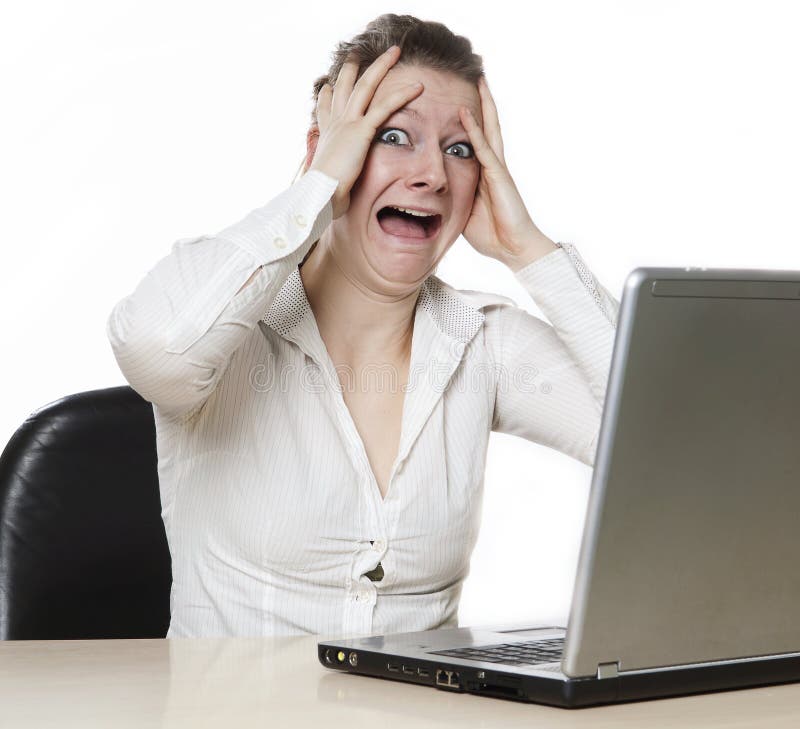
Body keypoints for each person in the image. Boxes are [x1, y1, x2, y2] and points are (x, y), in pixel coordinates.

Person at [106, 13, 619, 638]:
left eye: (460, 150)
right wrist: (317, 188)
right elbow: (158, 345)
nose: (433, 175)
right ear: (328, 150)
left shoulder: (485, 342)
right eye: (394, 136)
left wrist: (529, 249)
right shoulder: (225, 322)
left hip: (421, 696)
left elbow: (674, 444)